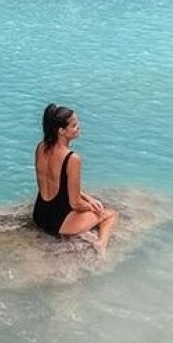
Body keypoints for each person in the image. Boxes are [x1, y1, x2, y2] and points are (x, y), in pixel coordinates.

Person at [32, 104, 118, 256]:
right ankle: (101, 245)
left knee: (91, 207)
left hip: (39, 215)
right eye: (74, 125)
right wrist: (94, 209)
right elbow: (75, 203)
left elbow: (60, 184)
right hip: (56, 223)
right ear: (61, 131)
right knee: (110, 215)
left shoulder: (41, 147)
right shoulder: (72, 158)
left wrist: (89, 198)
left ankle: (75, 232)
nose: (79, 127)